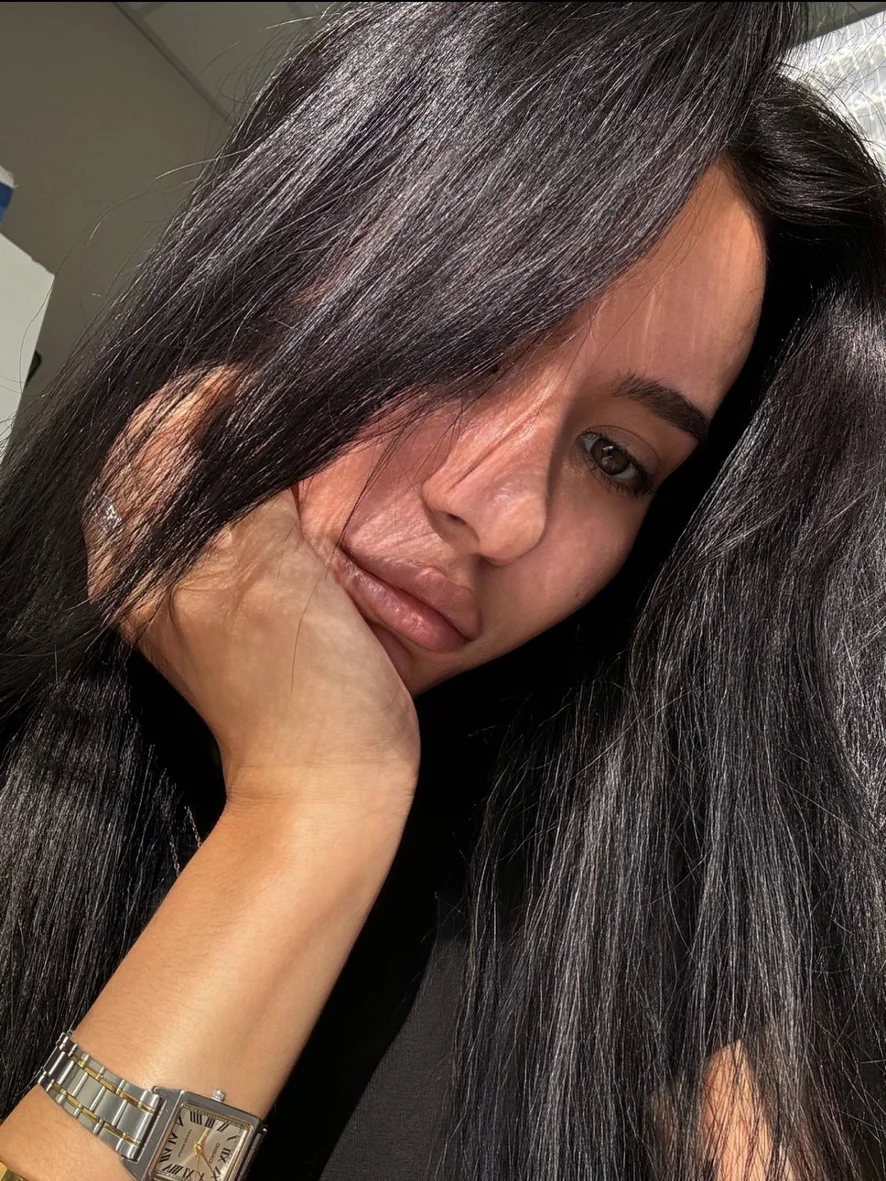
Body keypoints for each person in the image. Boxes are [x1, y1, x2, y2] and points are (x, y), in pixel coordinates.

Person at [1, 2, 886, 1178]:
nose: (502, 512)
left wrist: (317, 799)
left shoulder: (640, 1020)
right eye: (473, 345)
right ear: (275, 254)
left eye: (616, 457)